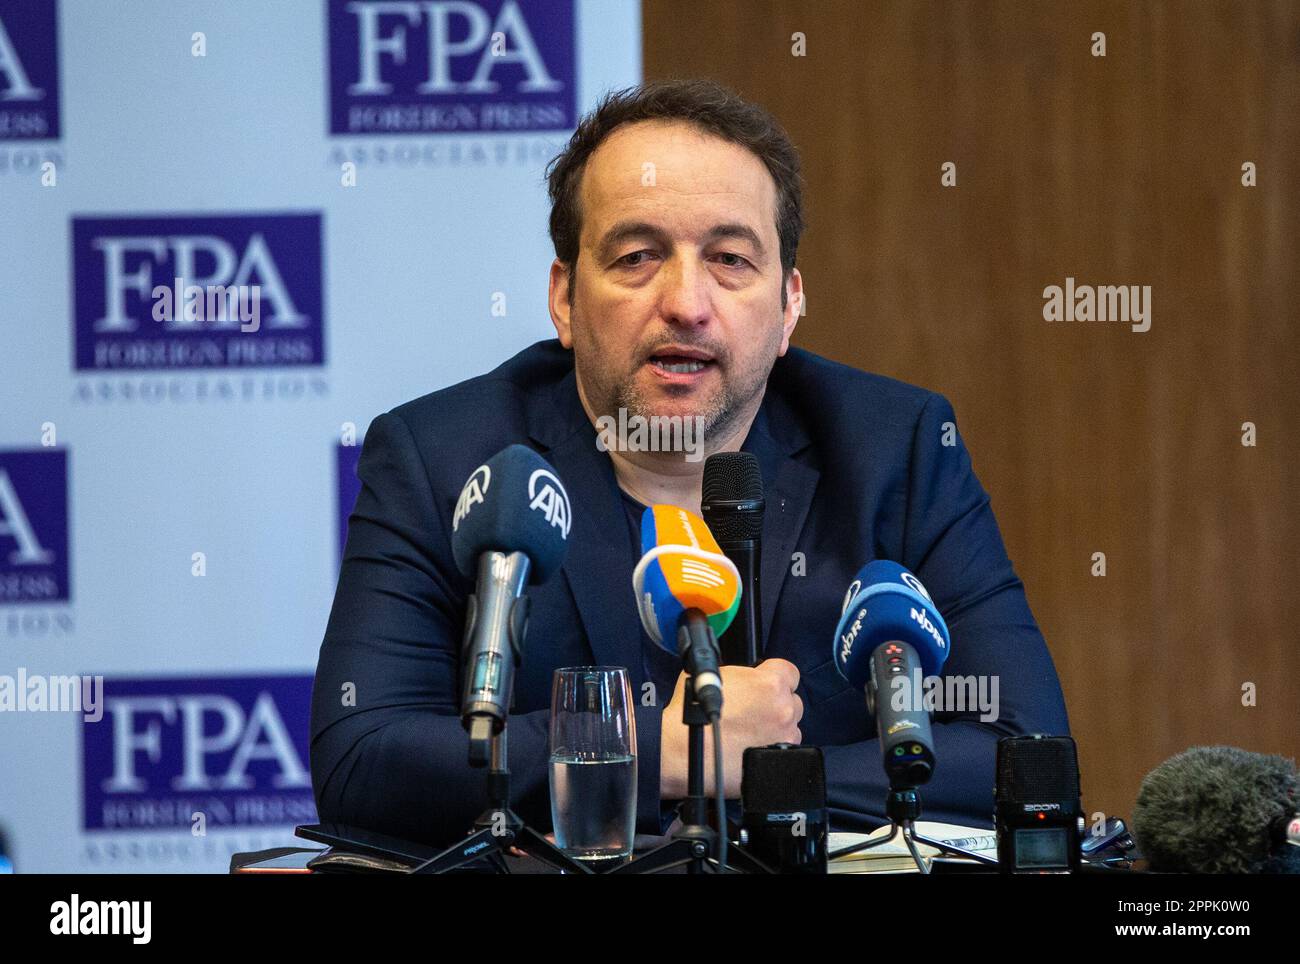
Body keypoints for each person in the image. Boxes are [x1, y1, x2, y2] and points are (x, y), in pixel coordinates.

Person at [310, 79, 1069, 847]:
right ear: (565, 297)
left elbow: (1026, 755)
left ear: (788, 307)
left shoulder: (896, 448)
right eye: (638, 256)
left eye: (731, 259)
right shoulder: (443, 457)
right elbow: (362, 762)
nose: (686, 302)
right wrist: (663, 748)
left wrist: (766, 775)